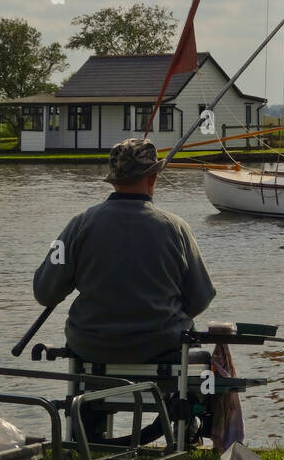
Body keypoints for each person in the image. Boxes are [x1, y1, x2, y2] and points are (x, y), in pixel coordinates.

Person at [33, 138, 215, 363]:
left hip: (90, 347)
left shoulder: (78, 225)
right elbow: (200, 298)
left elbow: (45, 292)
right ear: (154, 177)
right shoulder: (176, 228)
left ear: (113, 181)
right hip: (161, 348)